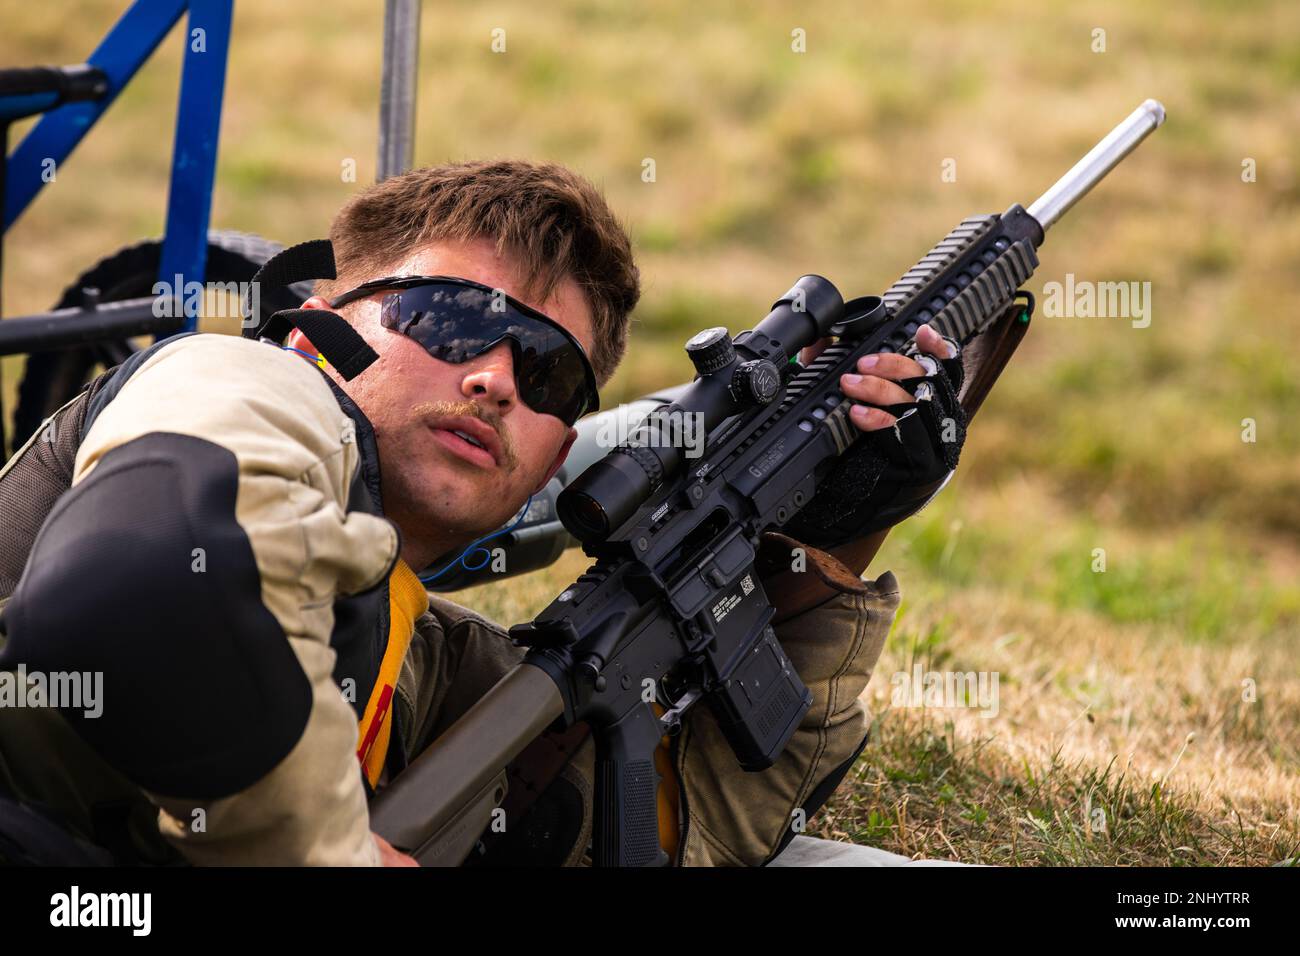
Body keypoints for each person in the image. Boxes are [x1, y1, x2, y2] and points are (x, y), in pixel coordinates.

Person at [0, 159, 963, 866]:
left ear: (558, 446)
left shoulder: (425, 660)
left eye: (550, 371)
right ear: (316, 328)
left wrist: (835, 528)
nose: (495, 377)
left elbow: (698, 824)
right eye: (451, 318)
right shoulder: (239, 382)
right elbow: (130, 591)